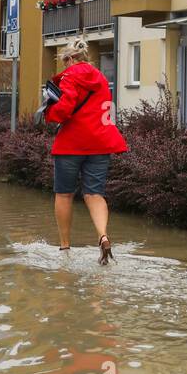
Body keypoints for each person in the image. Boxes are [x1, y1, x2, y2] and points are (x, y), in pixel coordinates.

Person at [45, 39, 127, 264]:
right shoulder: (100, 77)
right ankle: (103, 235)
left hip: (72, 144)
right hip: (100, 144)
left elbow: (64, 108)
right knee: (94, 193)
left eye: (64, 62)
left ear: (70, 59)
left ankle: (65, 248)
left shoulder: (70, 76)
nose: (64, 67)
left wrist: (48, 111)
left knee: (64, 194)